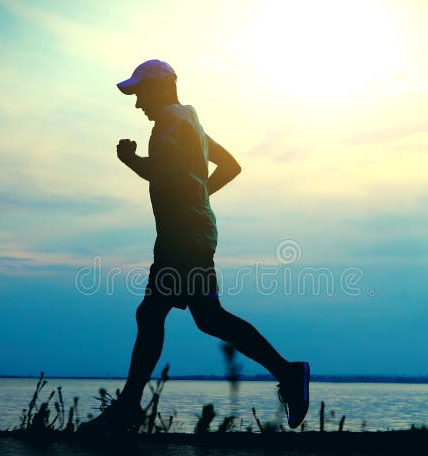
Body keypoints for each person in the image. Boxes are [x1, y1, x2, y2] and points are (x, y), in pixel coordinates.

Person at [86, 59, 310, 432]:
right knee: (203, 318)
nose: (138, 104)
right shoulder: (191, 122)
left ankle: (128, 407)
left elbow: (157, 172)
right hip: (190, 232)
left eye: (140, 94)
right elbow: (230, 166)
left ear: (161, 88)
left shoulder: (170, 123)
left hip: (182, 237)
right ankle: (289, 373)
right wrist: (200, 200)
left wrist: (129, 160)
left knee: (154, 314)